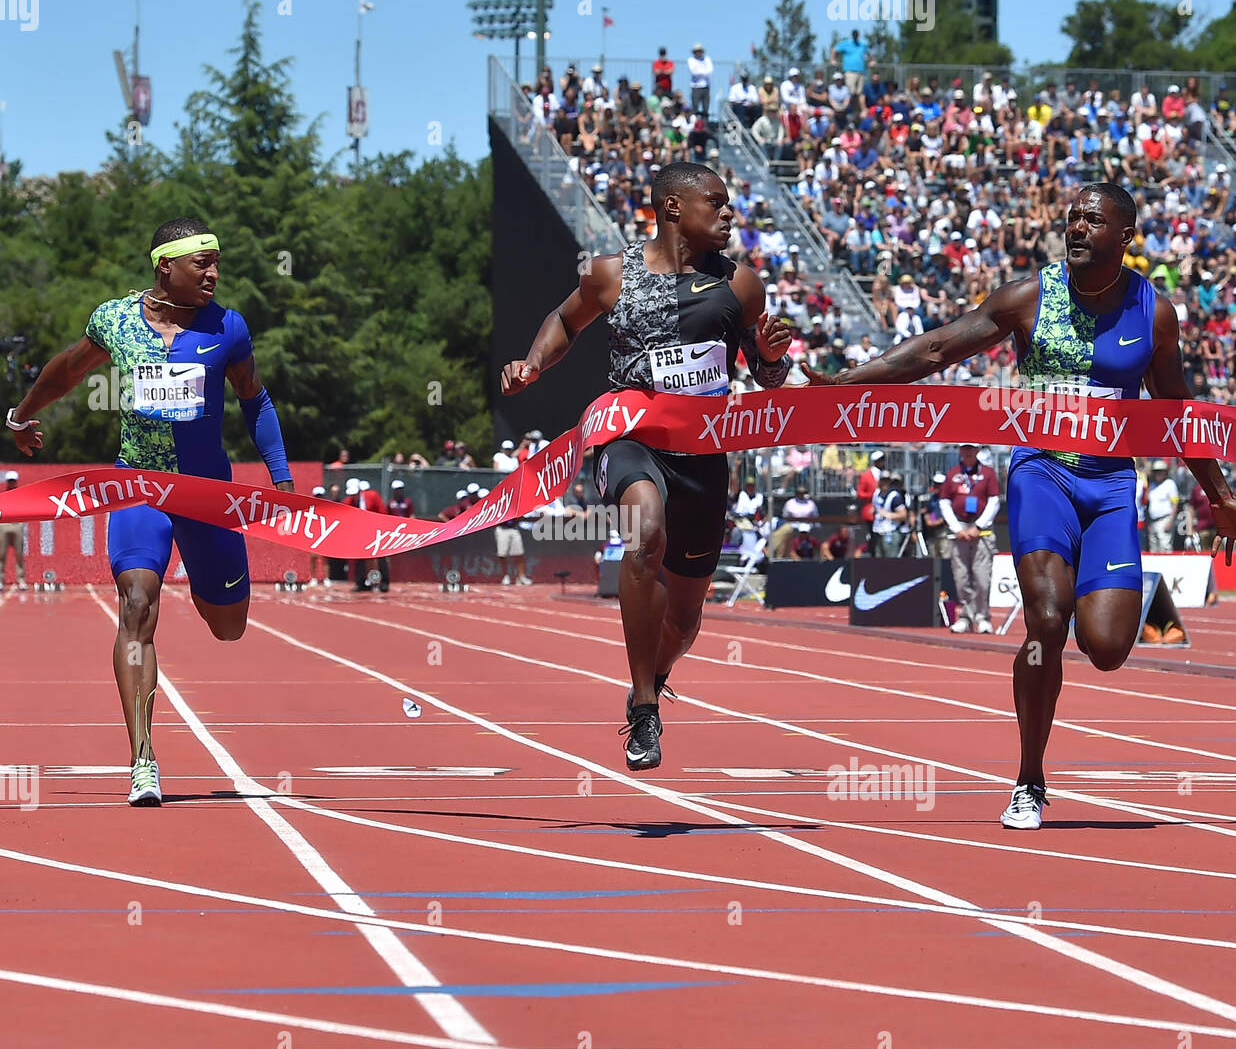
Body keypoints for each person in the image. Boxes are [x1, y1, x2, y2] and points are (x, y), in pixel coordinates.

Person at [803, 182, 1236, 830]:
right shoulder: (1029, 295)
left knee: (1110, 645)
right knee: (1047, 619)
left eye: (1095, 219)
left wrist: (1220, 493)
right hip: (1042, 472)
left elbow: (1175, 409)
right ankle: (1030, 777)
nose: (1079, 227)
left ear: (1127, 233)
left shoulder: (1156, 313)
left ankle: (1102, 578)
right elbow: (936, 349)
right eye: (1073, 218)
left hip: (1113, 482)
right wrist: (847, 379)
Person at [501, 160, 790, 769]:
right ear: (675, 208)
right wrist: (532, 363)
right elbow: (564, 321)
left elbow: (766, 379)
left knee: (685, 619)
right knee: (645, 531)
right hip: (629, 437)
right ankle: (642, 705)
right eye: (717, 202)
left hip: (705, 453)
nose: (730, 213)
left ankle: (654, 679)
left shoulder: (740, 286)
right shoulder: (612, 274)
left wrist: (767, 360)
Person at [5, 218, 294, 808]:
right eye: (202, 263)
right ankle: (143, 760)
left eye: (217, 262)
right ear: (166, 266)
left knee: (229, 625)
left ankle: (201, 579)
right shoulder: (114, 319)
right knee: (136, 602)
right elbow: (69, 367)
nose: (214, 273)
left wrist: (281, 477)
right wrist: (22, 414)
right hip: (139, 486)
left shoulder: (228, 327)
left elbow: (254, 398)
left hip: (207, 492)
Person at [940, 444, 1001, 634]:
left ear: (977, 450)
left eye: (971, 448)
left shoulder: (988, 473)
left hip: (981, 531)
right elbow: (944, 501)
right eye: (964, 448)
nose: (968, 451)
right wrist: (957, 528)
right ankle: (966, 617)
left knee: (982, 577)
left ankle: (983, 617)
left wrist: (980, 526)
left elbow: (994, 501)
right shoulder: (952, 474)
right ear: (959, 450)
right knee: (961, 578)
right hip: (959, 529)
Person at [0, 472, 28, 590]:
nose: (11, 483)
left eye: (13, 481)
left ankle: (21, 579)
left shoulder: (22, 495)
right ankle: (0, 580)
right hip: (4, 525)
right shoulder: (2, 495)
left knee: (19, 554)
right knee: (2, 554)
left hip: (17, 525)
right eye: (9, 481)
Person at [870, 472, 909, 557]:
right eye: (883, 480)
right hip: (878, 531)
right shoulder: (877, 494)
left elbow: (904, 515)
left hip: (890, 532)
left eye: (887, 481)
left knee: (890, 562)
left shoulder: (895, 496)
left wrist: (888, 515)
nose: (885, 483)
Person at [1145, 459, 1179, 552]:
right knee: (1153, 548)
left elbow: (1175, 504)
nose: (1157, 474)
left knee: (1165, 547)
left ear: (1165, 472)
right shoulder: (1152, 485)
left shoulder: (1170, 484)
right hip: (1153, 521)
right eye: (1155, 472)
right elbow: (1147, 501)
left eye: (1160, 471)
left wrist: (1170, 521)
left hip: (1165, 520)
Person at [307, 485, 332, 587]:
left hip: (324, 534)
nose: (319, 497)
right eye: (317, 496)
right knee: (313, 557)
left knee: (325, 558)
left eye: (320, 495)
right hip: (313, 534)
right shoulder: (310, 508)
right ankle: (313, 578)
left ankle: (326, 578)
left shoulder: (327, 507)